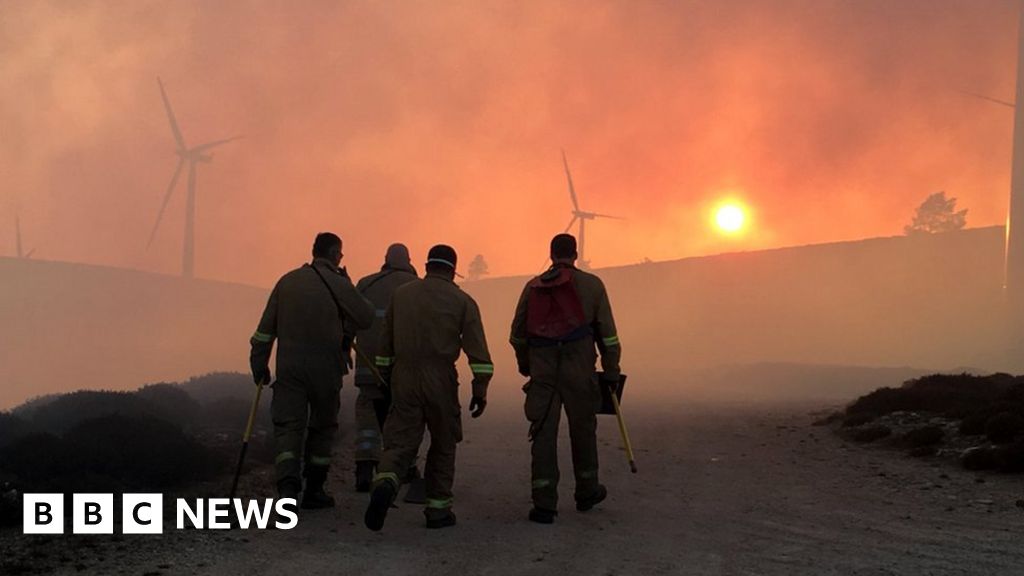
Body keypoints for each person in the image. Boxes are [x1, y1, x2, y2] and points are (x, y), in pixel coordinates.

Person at [364, 244, 493, 530]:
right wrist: (480, 388)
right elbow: (478, 352)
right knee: (443, 442)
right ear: (452, 270)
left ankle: (386, 482)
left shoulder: (402, 295)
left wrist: (385, 377)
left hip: (404, 376)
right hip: (440, 378)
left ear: (426, 266)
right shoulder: (463, 301)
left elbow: (385, 343)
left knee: (400, 442)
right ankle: (437, 511)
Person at [250, 232, 374, 510]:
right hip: (325, 371)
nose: (341, 258)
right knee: (322, 428)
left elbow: (263, 331)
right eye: (340, 254)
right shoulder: (338, 284)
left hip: (290, 369)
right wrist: (349, 286)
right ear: (333, 254)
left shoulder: (287, 282)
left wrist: (259, 365)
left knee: (288, 429)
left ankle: (287, 489)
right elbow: (365, 317)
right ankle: (315, 489)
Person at [509, 233, 622, 524]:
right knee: (583, 431)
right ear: (575, 254)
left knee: (543, 434)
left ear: (551, 254)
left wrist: (527, 366)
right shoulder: (592, 285)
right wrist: (610, 372)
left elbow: (517, 334)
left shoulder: (533, 286)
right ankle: (586, 492)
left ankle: (544, 504)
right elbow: (608, 335)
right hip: (579, 371)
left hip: (543, 373)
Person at [351, 243, 425, 503]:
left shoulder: (365, 284)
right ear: (409, 260)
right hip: (401, 366)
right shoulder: (416, 286)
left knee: (367, 415)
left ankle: (364, 467)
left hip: (367, 365)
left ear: (385, 259)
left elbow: (350, 320)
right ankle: (402, 468)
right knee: (402, 417)